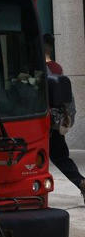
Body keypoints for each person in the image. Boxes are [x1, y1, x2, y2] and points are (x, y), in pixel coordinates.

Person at [43, 33, 85, 203]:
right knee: (60, 157)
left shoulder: (45, 68)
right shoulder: (56, 67)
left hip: (45, 121)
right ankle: (81, 182)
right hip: (54, 121)